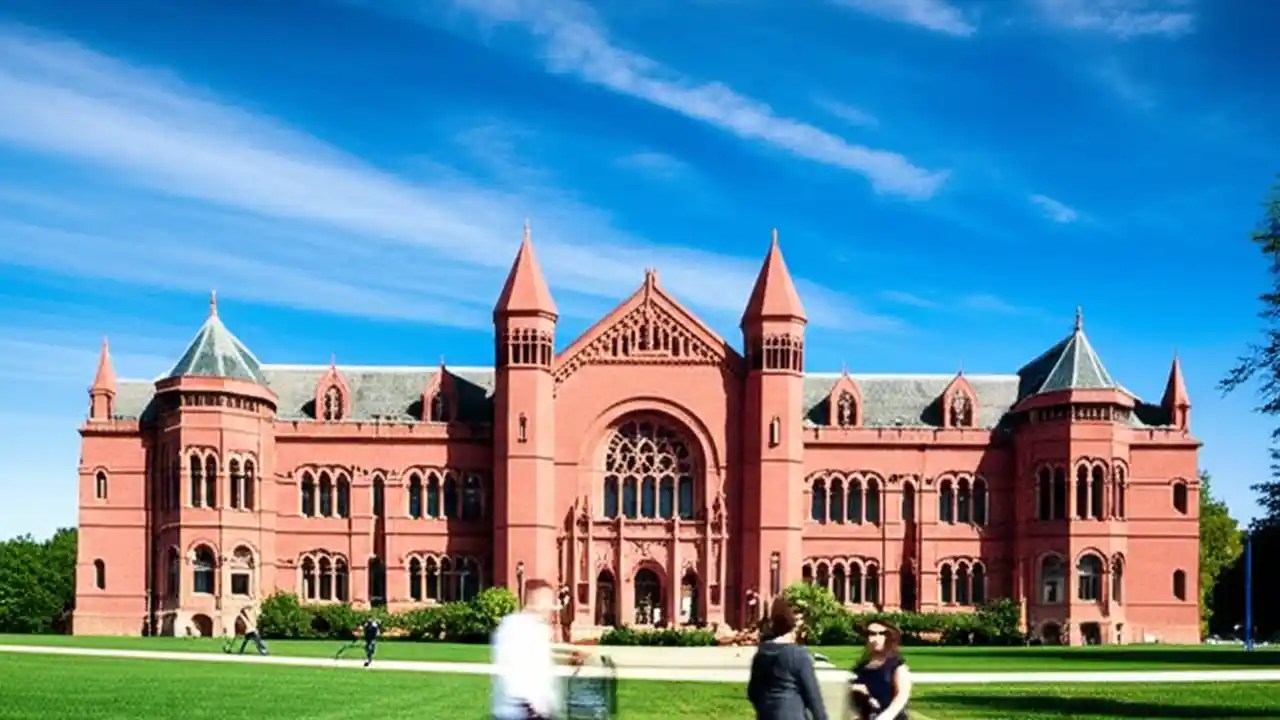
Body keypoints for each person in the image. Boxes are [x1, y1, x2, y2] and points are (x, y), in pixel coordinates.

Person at [492, 578, 576, 720]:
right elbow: (517, 671)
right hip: (525, 710)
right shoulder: (522, 628)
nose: (551, 608)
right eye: (548, 601)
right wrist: (535, 705)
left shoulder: (526, 626)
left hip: (526, 709)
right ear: (538, 601)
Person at [747, 596, 828, 720]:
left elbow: (753, 693)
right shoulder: (798, 654)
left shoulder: (761, 654)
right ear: (793, 627)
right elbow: (813, 697)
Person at [849, 620, 912, 720]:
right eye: (869, 634)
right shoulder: (861, 668)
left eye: (880, 634)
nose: (873, 638)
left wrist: (884, 717)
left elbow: (901, 697)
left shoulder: (896, 665)